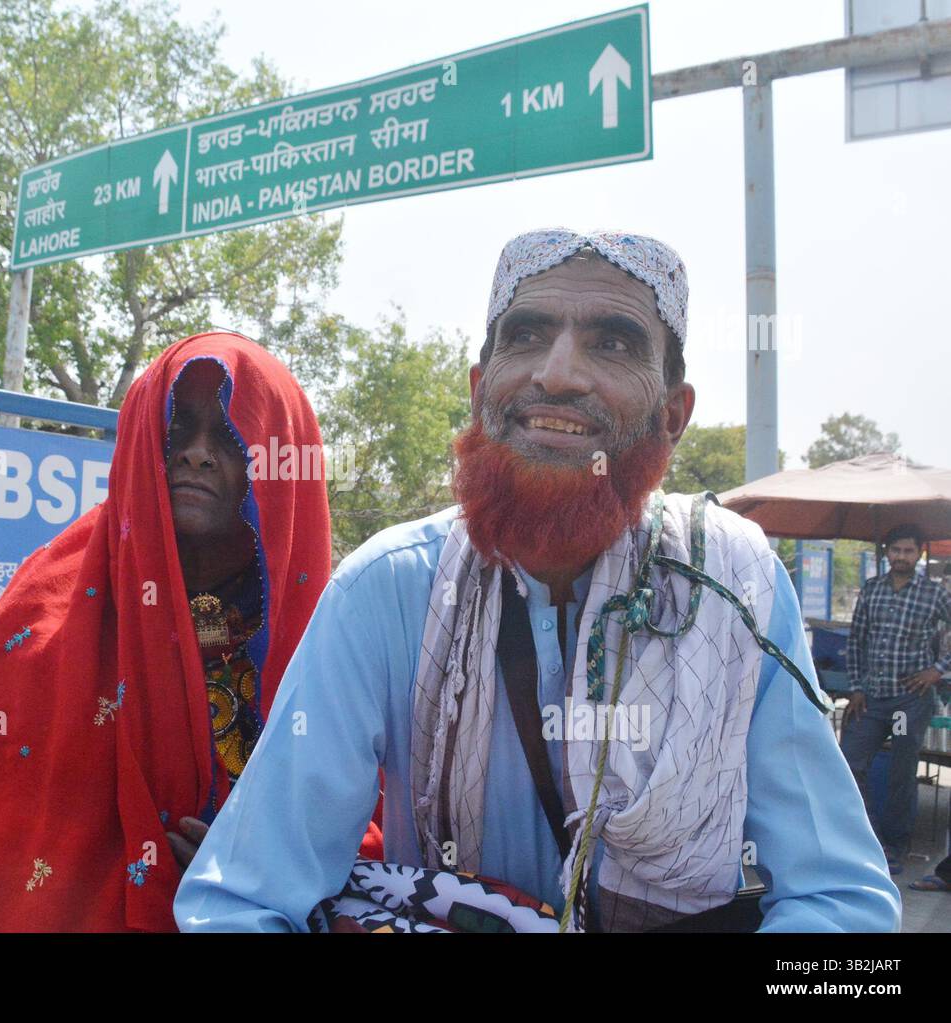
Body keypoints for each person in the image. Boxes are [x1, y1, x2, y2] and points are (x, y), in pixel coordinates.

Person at [175, 228, 900, 933]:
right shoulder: (385, 591)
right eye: (524, 335)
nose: (556, 373)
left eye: (612, 342)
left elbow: (840, 900)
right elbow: (240, 900)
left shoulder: (735, 588)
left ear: (673, 415)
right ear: (479, 388)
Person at [0, 332, 356, 932]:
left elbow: (365, 823)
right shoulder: (37, 624)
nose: (197, 453)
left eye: (228, 433)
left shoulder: (327, 632)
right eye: (179, 429)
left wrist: (270, 865)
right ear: (145, 441)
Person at [842, 524, 951, 876]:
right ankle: (866, 839)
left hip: (910, 699)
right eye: (895, 550)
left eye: (907, 550)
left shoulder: (934, 594)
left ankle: (895, 846)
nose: (900, 556)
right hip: (871, 698)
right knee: (850, 764)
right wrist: (856, 687)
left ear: (919, 553)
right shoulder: (872, 590)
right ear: (887, 552)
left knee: (901, 775)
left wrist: (938, 669)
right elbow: (857, 639)